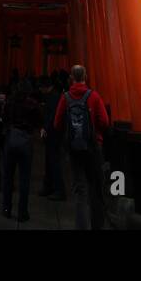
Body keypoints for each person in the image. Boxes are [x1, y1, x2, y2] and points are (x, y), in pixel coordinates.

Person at [53, 64, 109, 230]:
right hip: (93, 147)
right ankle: (97, 225)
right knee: (96, 188)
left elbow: (57, 124)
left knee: (80, 190)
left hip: (74, 148)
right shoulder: (94, 96)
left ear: (71, 77)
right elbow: (105, 122)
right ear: (86, 77)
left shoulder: (66, 97)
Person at [0, 79, 43, 221]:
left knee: (8, 177)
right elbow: (38, 122)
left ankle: (6, 208)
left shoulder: (9, 102)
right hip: (25, 141)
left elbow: (4, 119)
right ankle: (22, 212)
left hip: (11, 139)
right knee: (24, 179)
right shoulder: (33, 104)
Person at [37, 76, 66, 201]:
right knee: (50, 161)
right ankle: (49, 186)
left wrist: (45, 128)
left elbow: (52, 115)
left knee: (53, 161)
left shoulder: (53, 97)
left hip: (54, 133)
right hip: (55, 132)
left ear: (45, 87)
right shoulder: (56, 96)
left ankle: (59, 190)